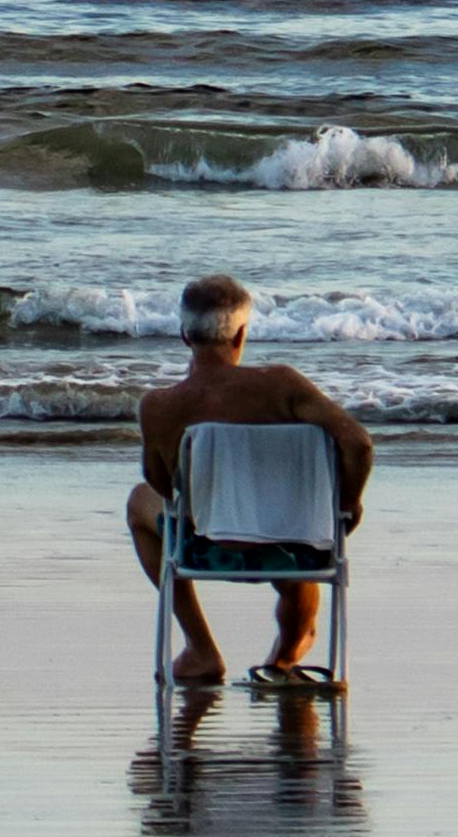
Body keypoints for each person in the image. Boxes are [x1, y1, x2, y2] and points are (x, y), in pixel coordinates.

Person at [128, 271, 372, 726]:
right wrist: (348, 509)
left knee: (139, 502)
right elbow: (358, 444)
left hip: (206, 547)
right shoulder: (284, 386)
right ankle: (282, 660)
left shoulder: (160, 405)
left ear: (184, 335)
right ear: (242, 333)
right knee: (297, 515)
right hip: (293, 550)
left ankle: (201, 648)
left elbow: (162, 485)